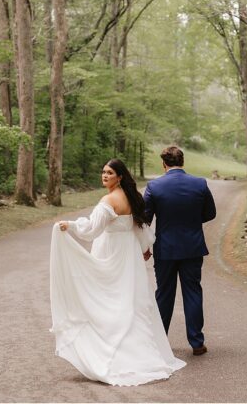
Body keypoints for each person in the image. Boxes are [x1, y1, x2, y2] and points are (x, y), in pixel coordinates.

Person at [51, 159, 186, 386]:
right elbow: (139, 227)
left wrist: (70, 225)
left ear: (120, 176)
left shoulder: (108, 201)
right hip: (129, 253)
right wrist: (144, 248)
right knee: (129, 300)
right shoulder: (133, 198)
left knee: (107, 299)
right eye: (103, 172)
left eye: (110, 173)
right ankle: (138, 351)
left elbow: (92, 230)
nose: (104, 176)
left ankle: (112, 353)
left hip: (110, 252)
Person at [143, 146, 216, 356]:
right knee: (193, 292)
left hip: (165, 249)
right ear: (182, 162)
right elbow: (210, 213)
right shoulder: (200, 183)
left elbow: (145, 218)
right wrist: (192, 221)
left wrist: (144, 245)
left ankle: (160, 342)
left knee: (164, 294)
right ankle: (197, 342)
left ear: (163, 164)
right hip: (193, 247)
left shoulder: (154, 186)